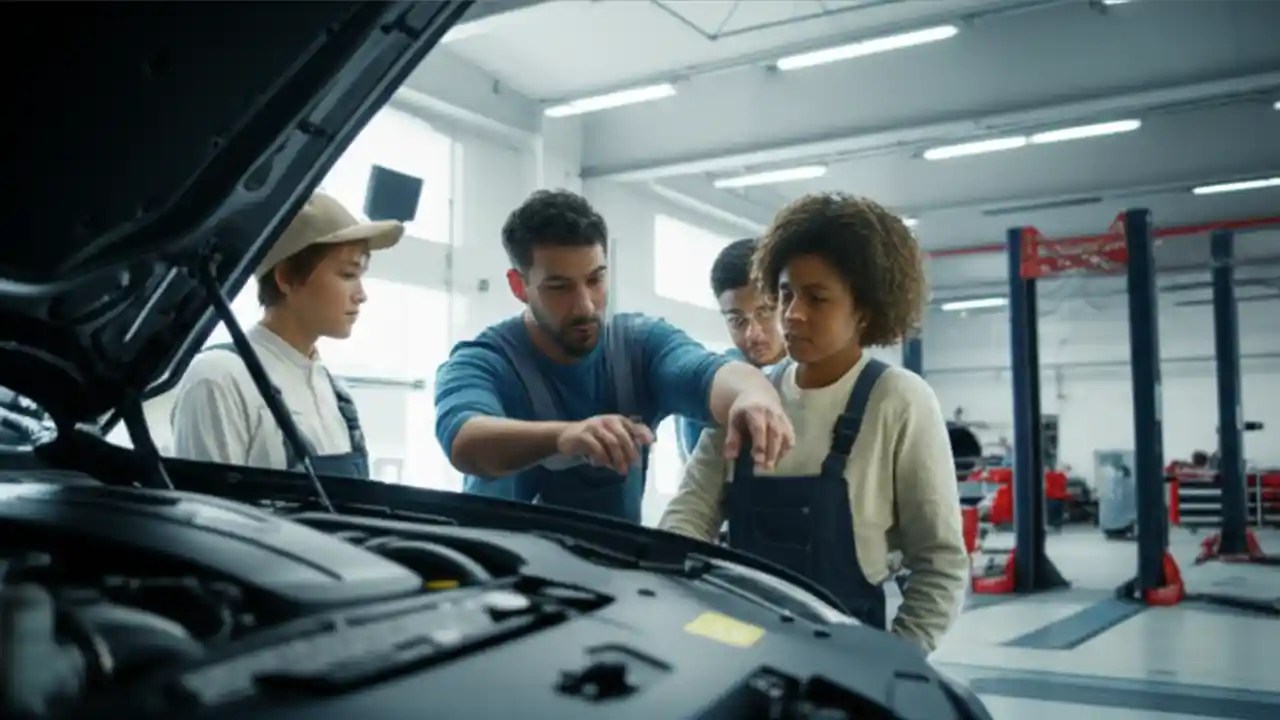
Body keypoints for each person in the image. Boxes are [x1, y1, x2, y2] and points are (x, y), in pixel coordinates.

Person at [659, 193, 968, 653]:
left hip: (852, 654)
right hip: (745, 644)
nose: (792, 313)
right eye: (785, 294)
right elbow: (688, 517)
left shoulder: (899, 401)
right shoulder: (748, 395)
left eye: (817, 298)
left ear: (863, 309)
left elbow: (940, 560)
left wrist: (897, 657)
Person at [433, 189, 795, 524]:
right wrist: (565, 436)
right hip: (500, 578)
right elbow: (467, 440)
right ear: (519, 286)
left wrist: (754, 395)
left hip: (612, 581)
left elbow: (706, 372)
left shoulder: (640, 345)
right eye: (559, 287)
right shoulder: (483, 361)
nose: (585, 305)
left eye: (595, 279)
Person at [170, 191, 403, 478]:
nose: (361, 295)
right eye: (347, 274)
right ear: (286, 278)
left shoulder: (336, 394)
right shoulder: (220, 377)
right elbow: (209, 515)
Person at [675, 238, 787, 461]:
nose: (752, 334)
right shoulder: (711, 384)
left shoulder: (820, 374)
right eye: (737, 320)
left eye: (764, 312)